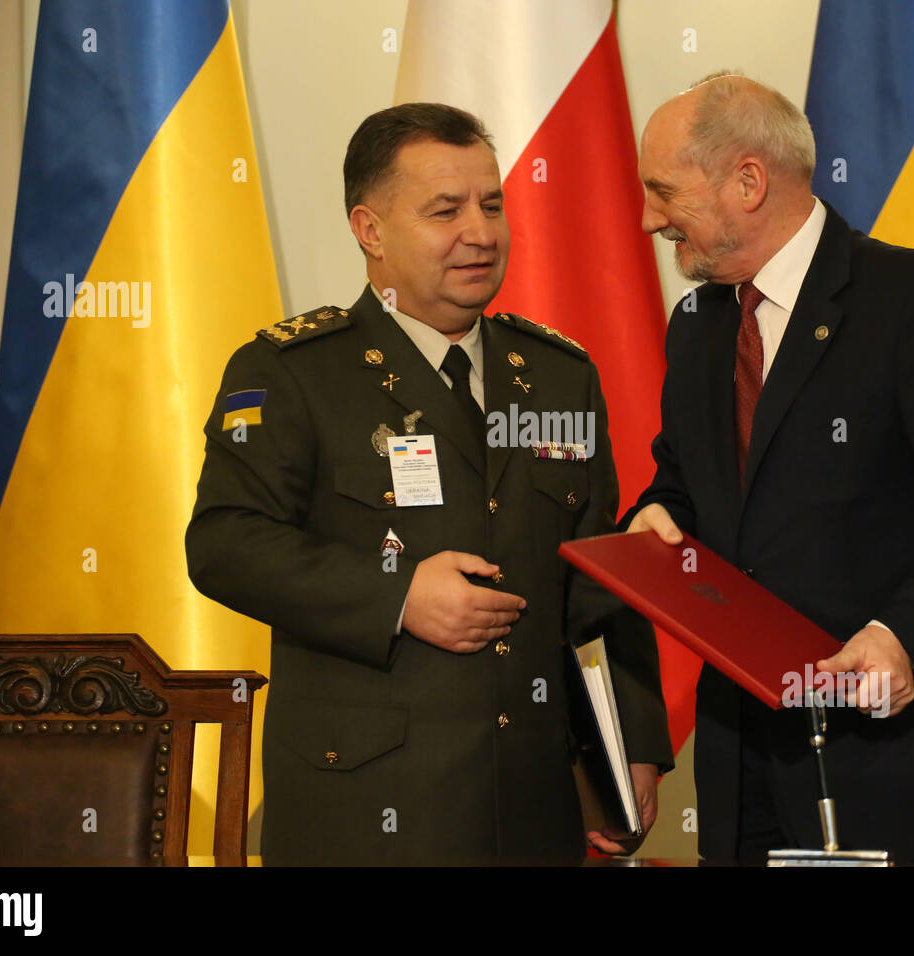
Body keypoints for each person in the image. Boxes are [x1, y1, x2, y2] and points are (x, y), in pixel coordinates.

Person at [186, 103, 672, 864]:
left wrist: (632, 744)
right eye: (446, 210)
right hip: (368, 809)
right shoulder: (293, 372)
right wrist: (399, 596)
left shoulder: (556, 375)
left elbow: (598, 578)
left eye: (492, 204)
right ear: (370, 230)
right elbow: (224, 544)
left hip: (531, 806)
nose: (480, 232)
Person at [624, 72, 914, 864]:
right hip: (742, 767)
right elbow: (685, 484)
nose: (649, 218)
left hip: (892, 764)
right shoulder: (698, 324)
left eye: (664, 191)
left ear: (748, 181)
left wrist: (904, 638)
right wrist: (653, 520)